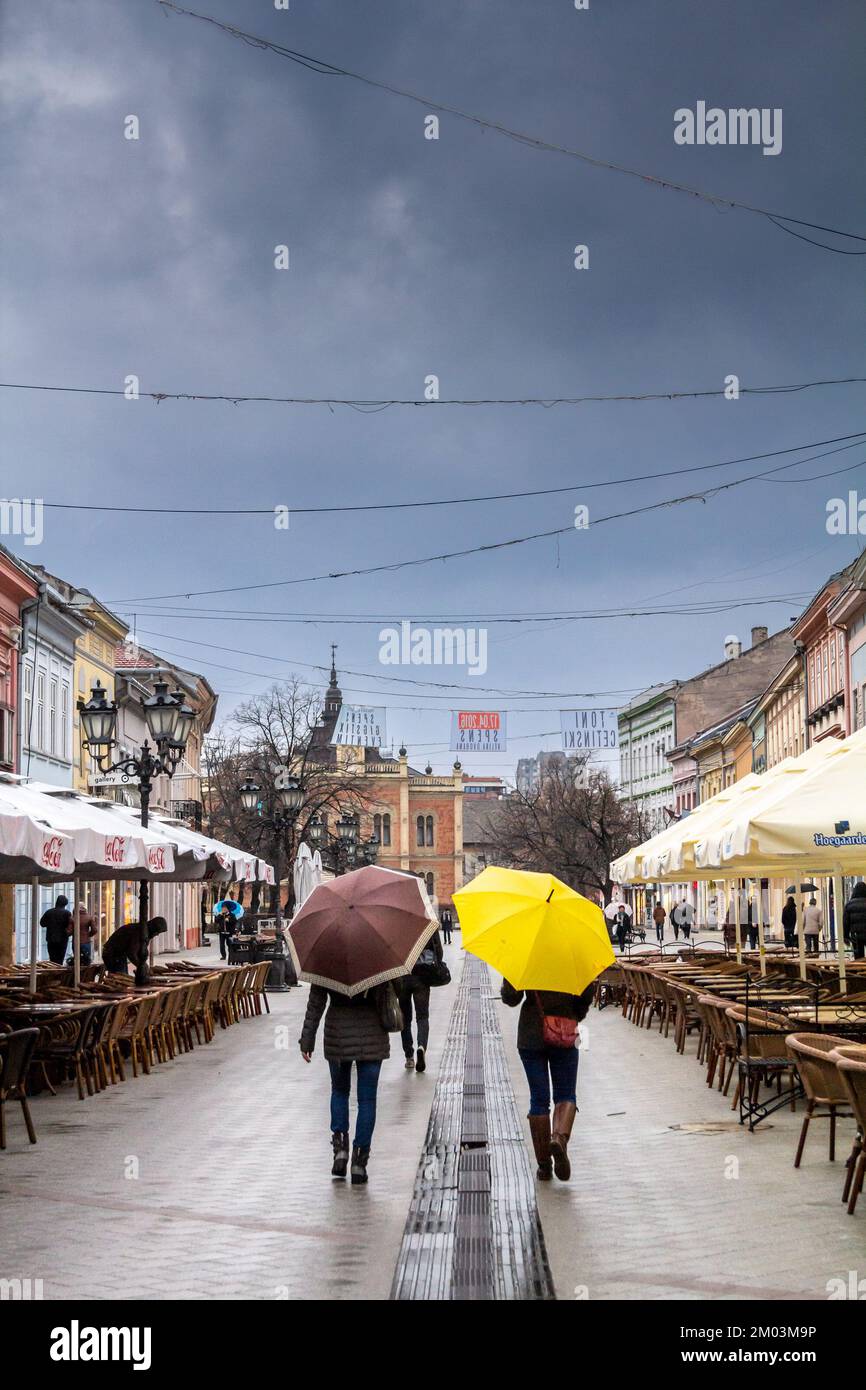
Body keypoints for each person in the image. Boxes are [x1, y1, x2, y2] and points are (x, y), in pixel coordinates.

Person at [299, 983, 393, 1184]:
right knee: (367, 1100)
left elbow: (316, 1001)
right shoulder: (378, 958)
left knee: (340, 1091)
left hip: (337, 1034)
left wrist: (307, 1038)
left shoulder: (327, 956)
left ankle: (340, 1151)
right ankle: (359, 1163)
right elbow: (395, 993)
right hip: (372, 1033)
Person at [501, 979, 594, 1182]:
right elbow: (587, 993)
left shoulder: (526, 954)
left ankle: (544, 1166)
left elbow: (511, 998)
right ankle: (559, 1138)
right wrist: (575, 1013)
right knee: (566, 1093)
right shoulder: (573, 952)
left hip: (530, 1035)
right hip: (566, 1030)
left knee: (538, 1099)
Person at [395, 930, 444, 1073]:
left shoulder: (399, 923)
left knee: (405, 1018)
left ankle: (409, 1056)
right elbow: (439, 951)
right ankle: (421, 1046)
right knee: (422, 1016)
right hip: (422, 977)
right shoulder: (428, 923)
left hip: (403, 976)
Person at [101, 917, 168, 984]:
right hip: (113, 955)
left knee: (123, 978)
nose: (157, 934)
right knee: (121, 980)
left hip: (118, 955)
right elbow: (131, 953)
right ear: (153, 928)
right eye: (157, 932)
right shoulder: (139, 932)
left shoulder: (144, 932)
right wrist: (141, 966)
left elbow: (138, 951)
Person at [40, 894, 72, 965]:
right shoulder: (67, 913)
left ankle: (53, 972)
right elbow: (71, 925)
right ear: (65, 904)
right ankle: (59, 973)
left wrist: (51, 924)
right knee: (60, 959)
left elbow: (42, 923)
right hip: (62, 939)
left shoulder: (49, 912)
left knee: (52, 959)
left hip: (51, 939)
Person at [843, 881, 866, 961]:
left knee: (858, 957)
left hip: (856, 935)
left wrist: (845, 936)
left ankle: (859, 972)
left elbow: (845, 922)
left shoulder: (849, 904)